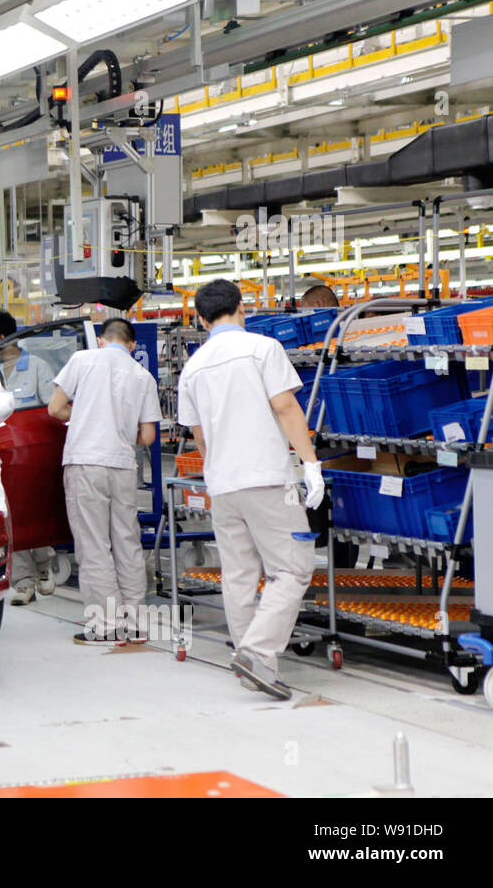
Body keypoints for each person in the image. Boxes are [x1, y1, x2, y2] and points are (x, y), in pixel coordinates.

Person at [177, 279, 324, 701]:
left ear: (201, 319)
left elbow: (199, 437)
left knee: (240, 576)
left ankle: (253, 666)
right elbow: (285, 407)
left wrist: (216, 471)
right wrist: (311, 464)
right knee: (293, 568)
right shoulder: (262, 349)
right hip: (266, 479)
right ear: (243, 309)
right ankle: (257, 653)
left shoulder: (193, 366)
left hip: (222, 485)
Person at [49, 318, 161, 644]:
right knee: (127, 542)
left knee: (94, 545)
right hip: (123, 466)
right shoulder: (143, 376)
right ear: (131, 345)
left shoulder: (82, 360)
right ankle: (136, 622)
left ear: (101, 340)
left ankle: (107, 624)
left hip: (85, 462)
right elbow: (148, 435)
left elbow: (56, 409)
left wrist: (83, 414)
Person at [0, 309, 58, 605]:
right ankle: (23, 583)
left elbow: (51, 408)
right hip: (0, 455)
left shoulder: (36, 366)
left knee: (34, 512)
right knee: (13, 517)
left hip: (30, 454)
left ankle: (45, 566)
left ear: (1, 339)